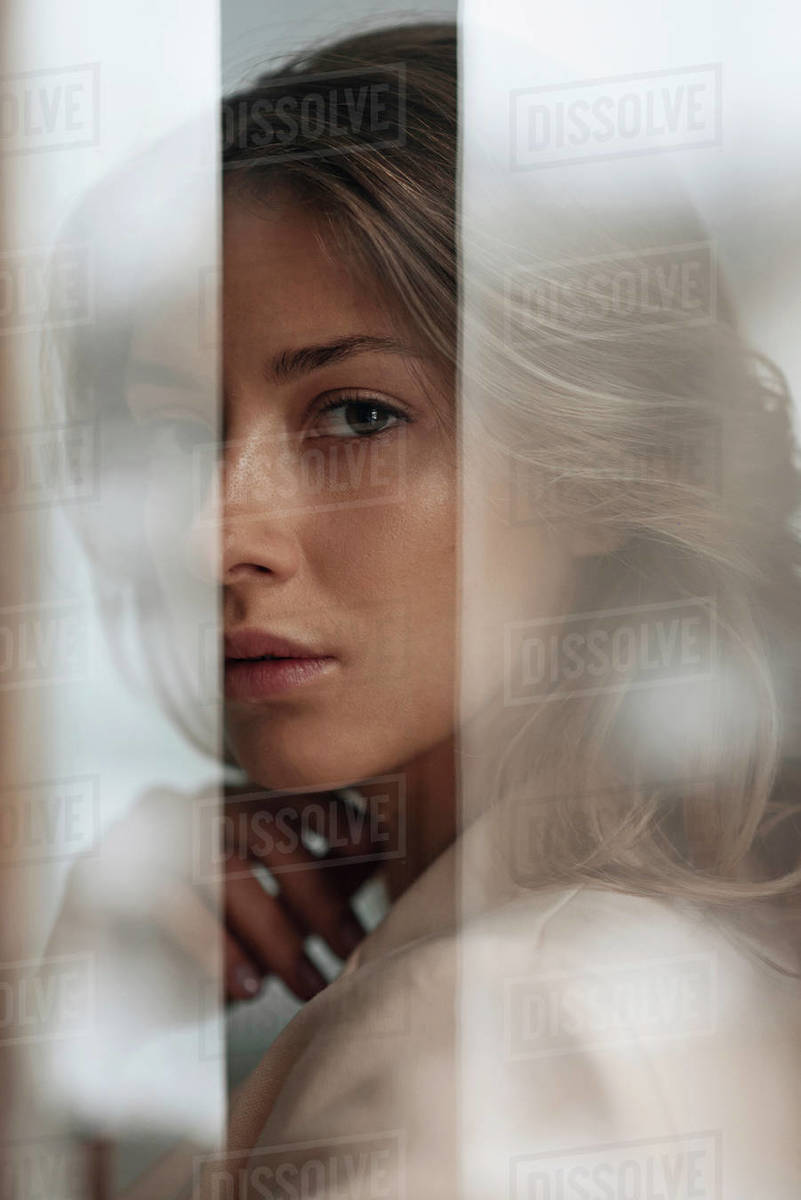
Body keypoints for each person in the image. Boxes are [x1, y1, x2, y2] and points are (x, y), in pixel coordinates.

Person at [54, 20, 801, 1198]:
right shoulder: (612, 974)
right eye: (181, 432)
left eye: (355, 417)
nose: (217, 535)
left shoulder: (513, 1029)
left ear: (595, 460)